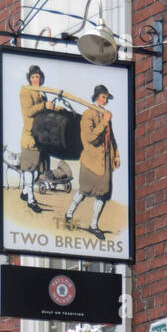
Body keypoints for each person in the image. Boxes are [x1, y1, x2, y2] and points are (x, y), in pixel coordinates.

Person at [64, 84, 120, 240]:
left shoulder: (106, 115)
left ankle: (93, 225)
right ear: (96, 97)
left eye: (107, 98)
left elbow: (112, 138)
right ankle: (68, 215)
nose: (105, 100)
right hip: (91, 161)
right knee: (84, 191)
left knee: (102, 194)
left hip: (105, 161)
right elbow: (90, 138)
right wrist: (103, 122)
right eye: (103, 97)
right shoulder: (89, 114)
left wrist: (116, 155)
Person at [18, 64, 55, 214]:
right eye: (33, 77)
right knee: (29, 168)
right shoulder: (26, 91)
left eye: (37, 77)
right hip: (31, 136)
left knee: (39, 171)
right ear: (29, 78)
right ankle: (31, 200)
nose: (35, 79)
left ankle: (25, 192)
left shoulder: (42, 93)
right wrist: (44, 106)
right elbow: (28, 111)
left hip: (41, 137)